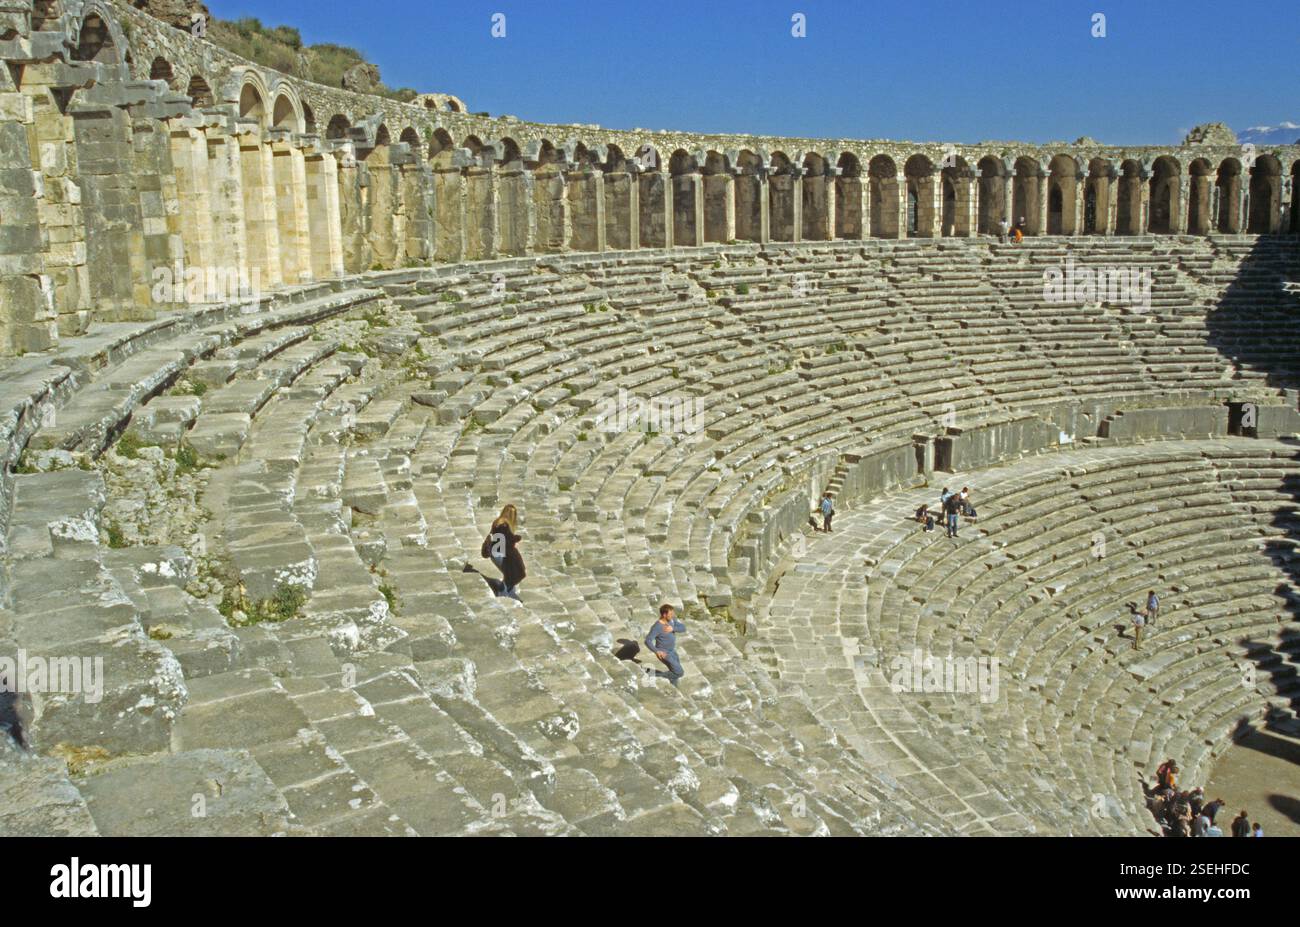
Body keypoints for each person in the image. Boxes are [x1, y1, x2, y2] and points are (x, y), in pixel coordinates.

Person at [481, 504, 526, 601]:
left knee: (512, 571)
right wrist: (517, 538)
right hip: (499, 554)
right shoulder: (504, 525)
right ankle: (503, 591)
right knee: (514, 571)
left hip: (496, 553)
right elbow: (506, 540)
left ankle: (508, 590)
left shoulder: (498, 522)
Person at [644, 604, 687, 687]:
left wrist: (673, 629)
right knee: (679, 672)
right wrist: (657, 651)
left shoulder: (671, 620)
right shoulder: (657, 627)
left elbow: (683, 628)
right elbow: (648, 640)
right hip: (665, 653)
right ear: (664, 614)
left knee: (674, 671)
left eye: (673, 613)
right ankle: (655, 676)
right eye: (670, 614)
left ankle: (674, 688)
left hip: (672, 651)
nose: (673, 615)